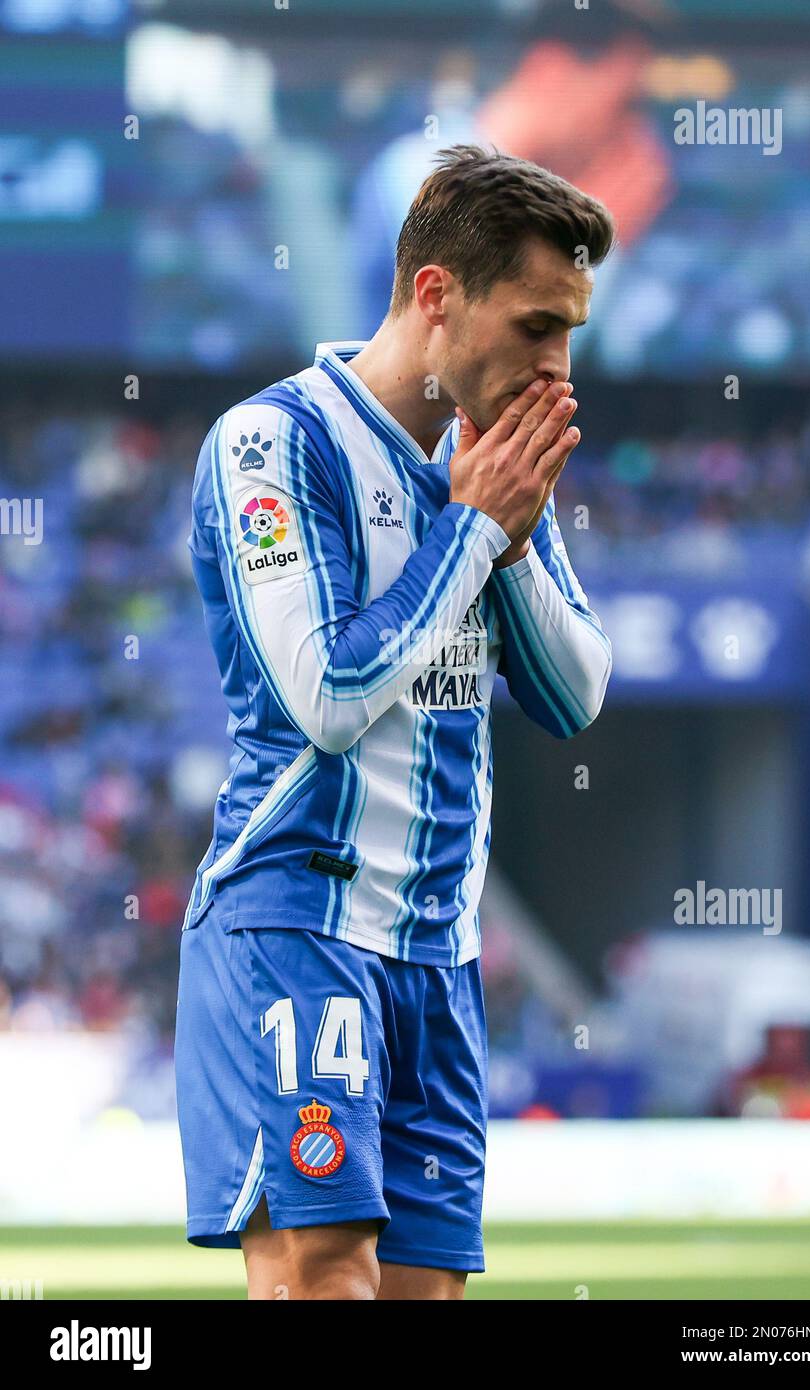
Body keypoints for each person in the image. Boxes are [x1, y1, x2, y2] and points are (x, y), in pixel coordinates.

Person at [174, 144, 614, 1300]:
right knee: (325, 1276)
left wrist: (506, 540)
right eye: (534, 326)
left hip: (438, 950)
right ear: (435, 295)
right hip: (294, 919)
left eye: (570, 331)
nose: (557, 369)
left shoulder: (493, 464)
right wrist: (470, 531)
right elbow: (322, 697)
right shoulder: (272, 443)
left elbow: (574, 696)